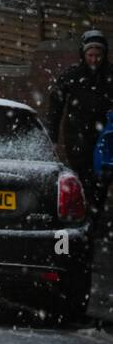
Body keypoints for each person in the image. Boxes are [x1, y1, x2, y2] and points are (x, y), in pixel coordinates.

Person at [46, 29, 113, 219]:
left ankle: (95, 215)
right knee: (83, 178)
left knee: (101, 179)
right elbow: (55, 107)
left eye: (98, 55)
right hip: (77, 136)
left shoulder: (110, 76)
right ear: (83, 54)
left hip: (104, 138)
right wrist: (53, 136)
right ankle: (85, 215)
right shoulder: (72, 75)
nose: (94, 60)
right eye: (90, 55)